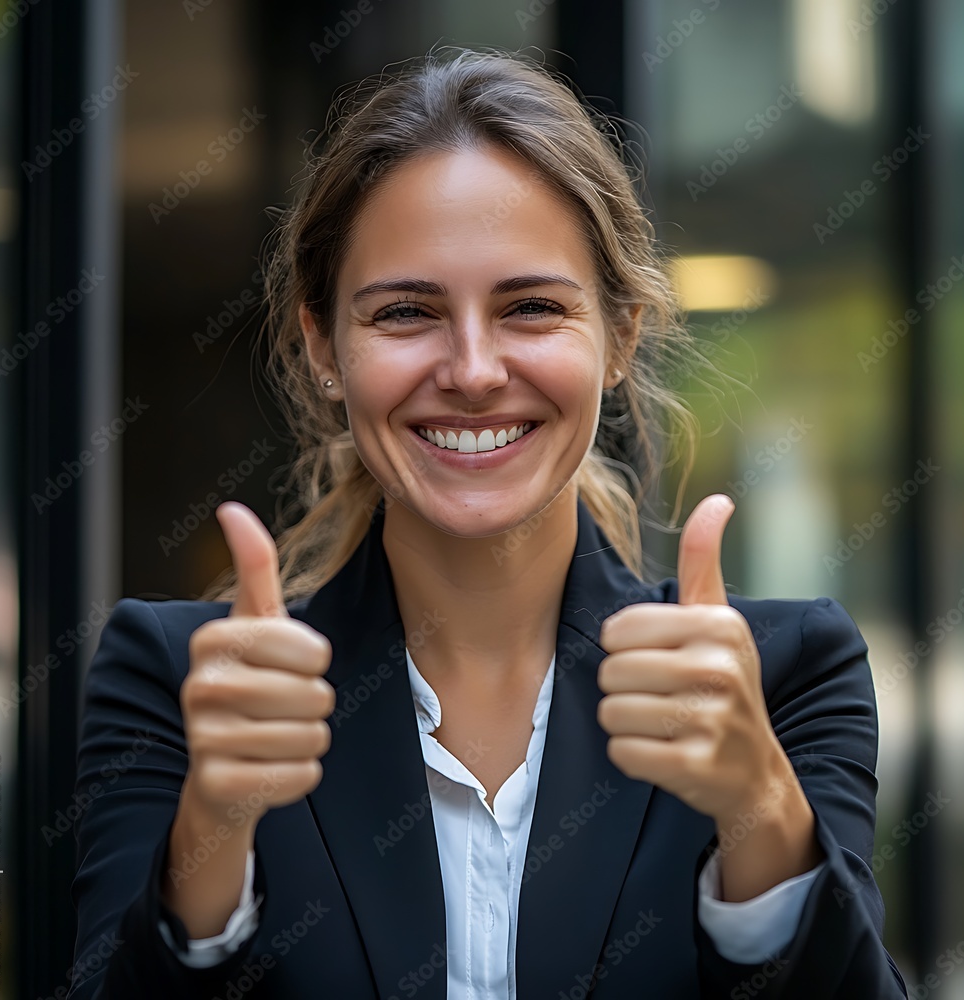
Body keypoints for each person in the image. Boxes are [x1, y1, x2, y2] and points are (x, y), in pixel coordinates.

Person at [67, 46, 908, 999]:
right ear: (323, 348)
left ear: (620, 336)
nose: (472, 371)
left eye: (532, 308)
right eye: (406, 313)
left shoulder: (782, 679)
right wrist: (213, 831)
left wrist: (758, 805)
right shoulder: (184, 687)